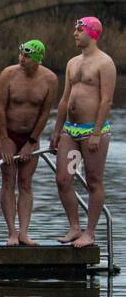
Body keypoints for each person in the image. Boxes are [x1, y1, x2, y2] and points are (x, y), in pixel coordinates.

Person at [51, 16, 115, 248]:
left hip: (92, 131)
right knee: (63, 179)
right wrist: (57, 130)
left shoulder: (105, 63)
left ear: (92, 32)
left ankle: (90, 232)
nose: (75, 34)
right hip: (71, 130)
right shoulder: (72, 63)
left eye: (79, 30)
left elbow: (106, 100)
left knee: (93, 180)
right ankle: (74, 227)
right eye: (75, 30)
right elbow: (65, 99)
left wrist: (97, 132)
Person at [0, 40, 57, 245]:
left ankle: (24, 232)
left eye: (27, 56)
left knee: (25, 183)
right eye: (21, 54)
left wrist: (32, 142)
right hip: (8, 133)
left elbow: (45, 112)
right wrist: (3, 139)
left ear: (38, 59)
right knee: (8, 180)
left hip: (30, 135)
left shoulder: (50, 79)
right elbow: (0, 108)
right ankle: (11, 232)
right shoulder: (8, 74)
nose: (22, 59)